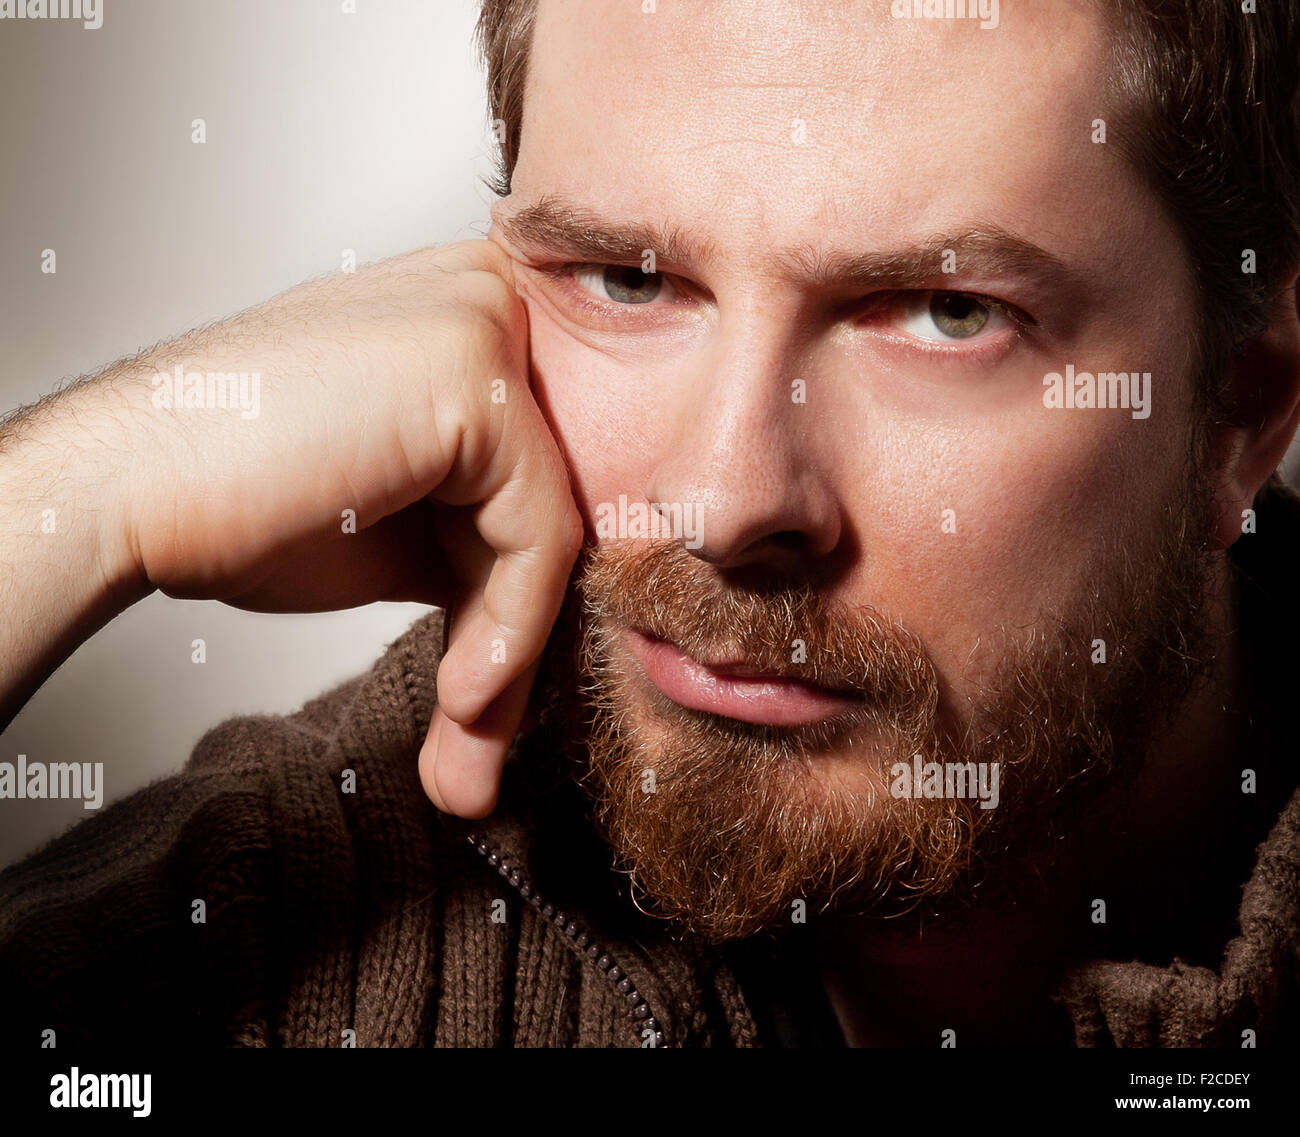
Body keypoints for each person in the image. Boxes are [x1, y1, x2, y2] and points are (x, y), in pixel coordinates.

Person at [1, 0, 1298, 1048]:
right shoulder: (284, 917)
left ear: (1243, 406)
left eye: (943, 312)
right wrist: (85, 495)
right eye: (627, 280)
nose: (723, 503)